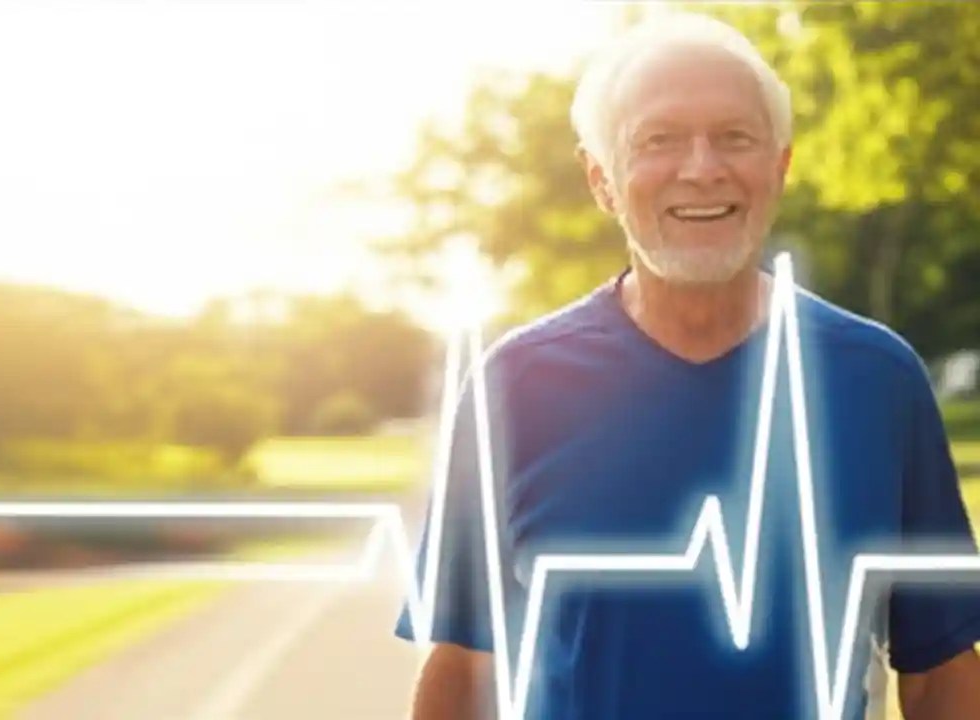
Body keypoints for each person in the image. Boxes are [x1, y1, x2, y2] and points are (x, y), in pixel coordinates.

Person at [395, 13, 980, 720]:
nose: (701, 168)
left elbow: (942, 673)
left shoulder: (880, 380)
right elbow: (462, 672)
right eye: (659, 140)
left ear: (780, 165)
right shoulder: (512, 390)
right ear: (601, 179)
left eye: (735, 138)